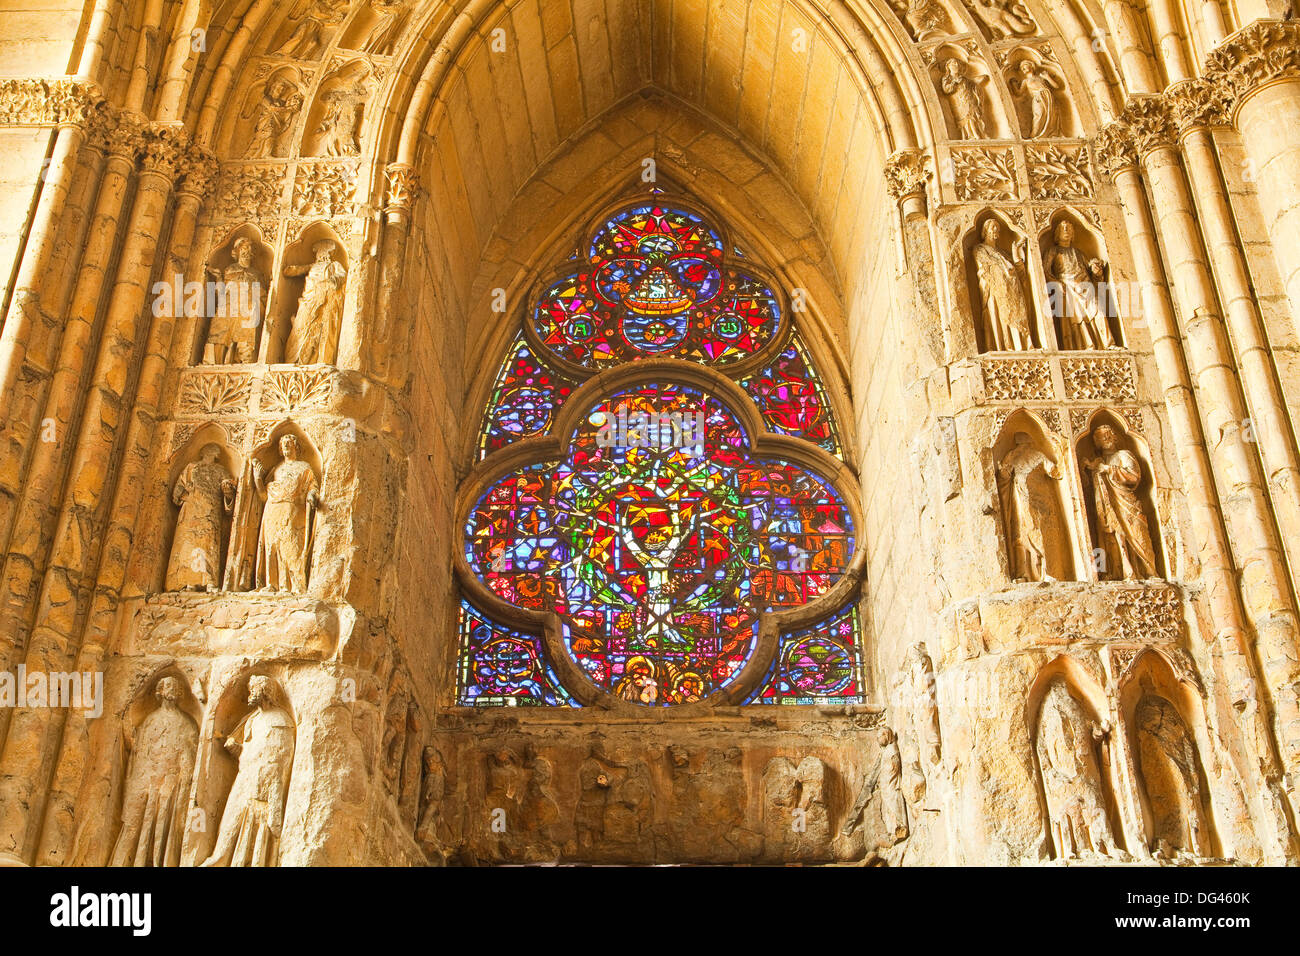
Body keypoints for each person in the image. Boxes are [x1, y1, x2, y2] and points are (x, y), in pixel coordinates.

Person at [201, 676, 295, 867]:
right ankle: (219, 860)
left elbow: (278, 757)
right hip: (245, 778)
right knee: (229, 823)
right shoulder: (253, 719)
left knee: (256, 830)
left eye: (254, 689)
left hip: (263, 786)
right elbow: (253, 751)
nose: (250, 693)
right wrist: (239, 750)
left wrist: (268, 790)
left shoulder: (280, 720)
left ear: (265, 691)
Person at [1083, 424, 1157, 580]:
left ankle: (1148, 571)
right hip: (1104, 505)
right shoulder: (1099, 461)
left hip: (1125, 502)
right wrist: (1089, 469)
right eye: (1103, 437)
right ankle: (1115, 572)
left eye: (1109, 435)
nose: (1107, 439)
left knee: (1136, 534)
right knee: (1110, 537)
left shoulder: (1124, 455)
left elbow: (1134, 476)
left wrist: (1109, 469)